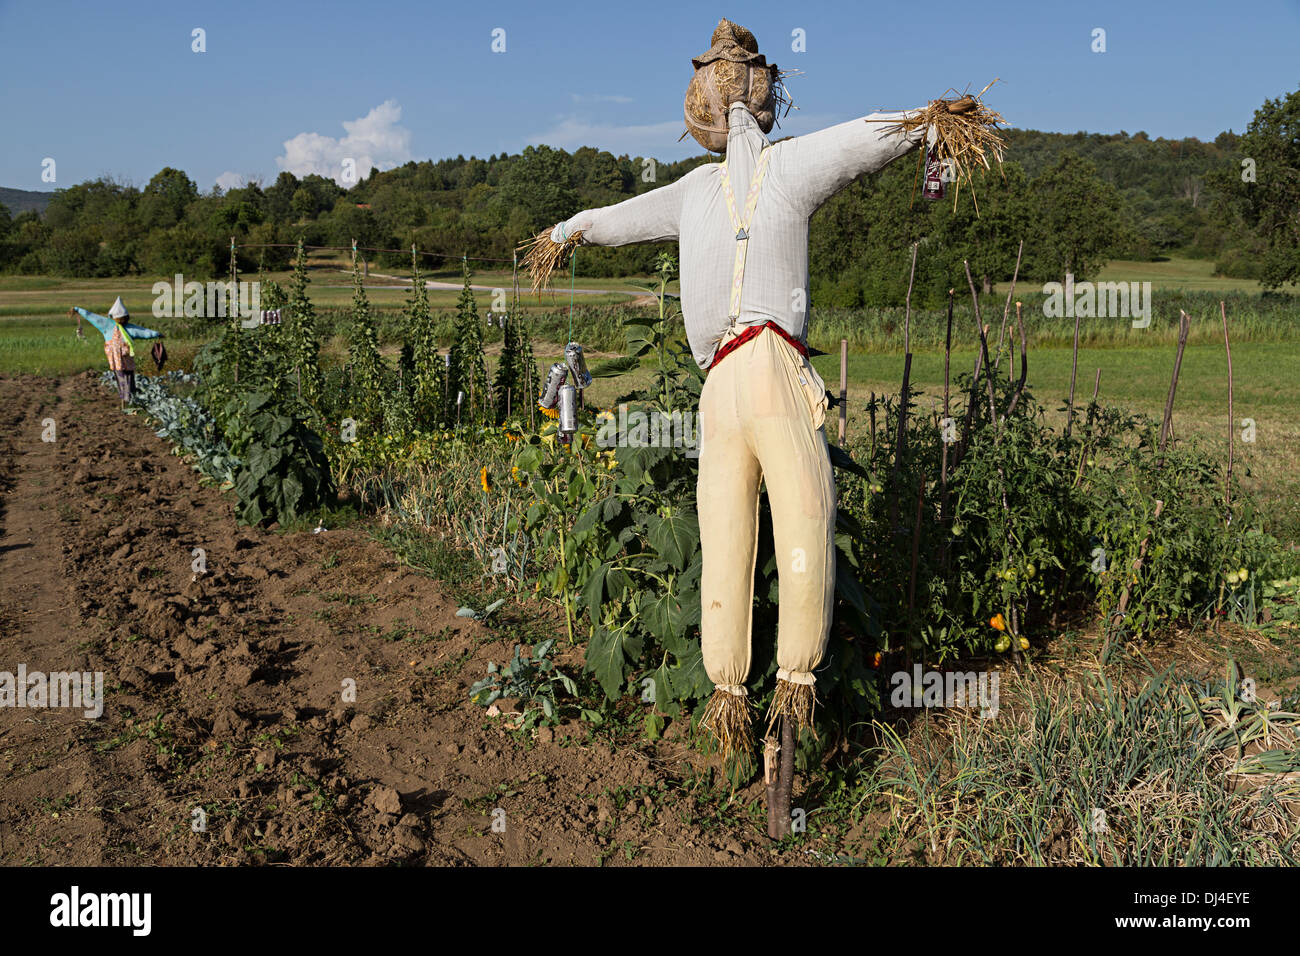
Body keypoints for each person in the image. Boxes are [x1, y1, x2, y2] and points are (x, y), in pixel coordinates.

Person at [546, 20, 960, 757]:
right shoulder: (714, 185)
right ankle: (752, 691)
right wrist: (573, 227)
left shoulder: (763, 175)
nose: (736, 108)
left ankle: (775, 686)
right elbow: (618, 221)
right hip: (736, 381)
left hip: (749, 372)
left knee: (763, 525)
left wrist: (920, 123)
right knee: (765, 524)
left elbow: (860, 142)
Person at [72, 297, 162, 405]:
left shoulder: (108, 325)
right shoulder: (117, 326)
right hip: (122, 359)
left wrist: (156, 334)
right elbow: (144, 332)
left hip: (121, 359)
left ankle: (129, 399)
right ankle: (129, 399)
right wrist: (157, 334)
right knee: (126, 377)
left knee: (124, 378)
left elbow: (92, 316)